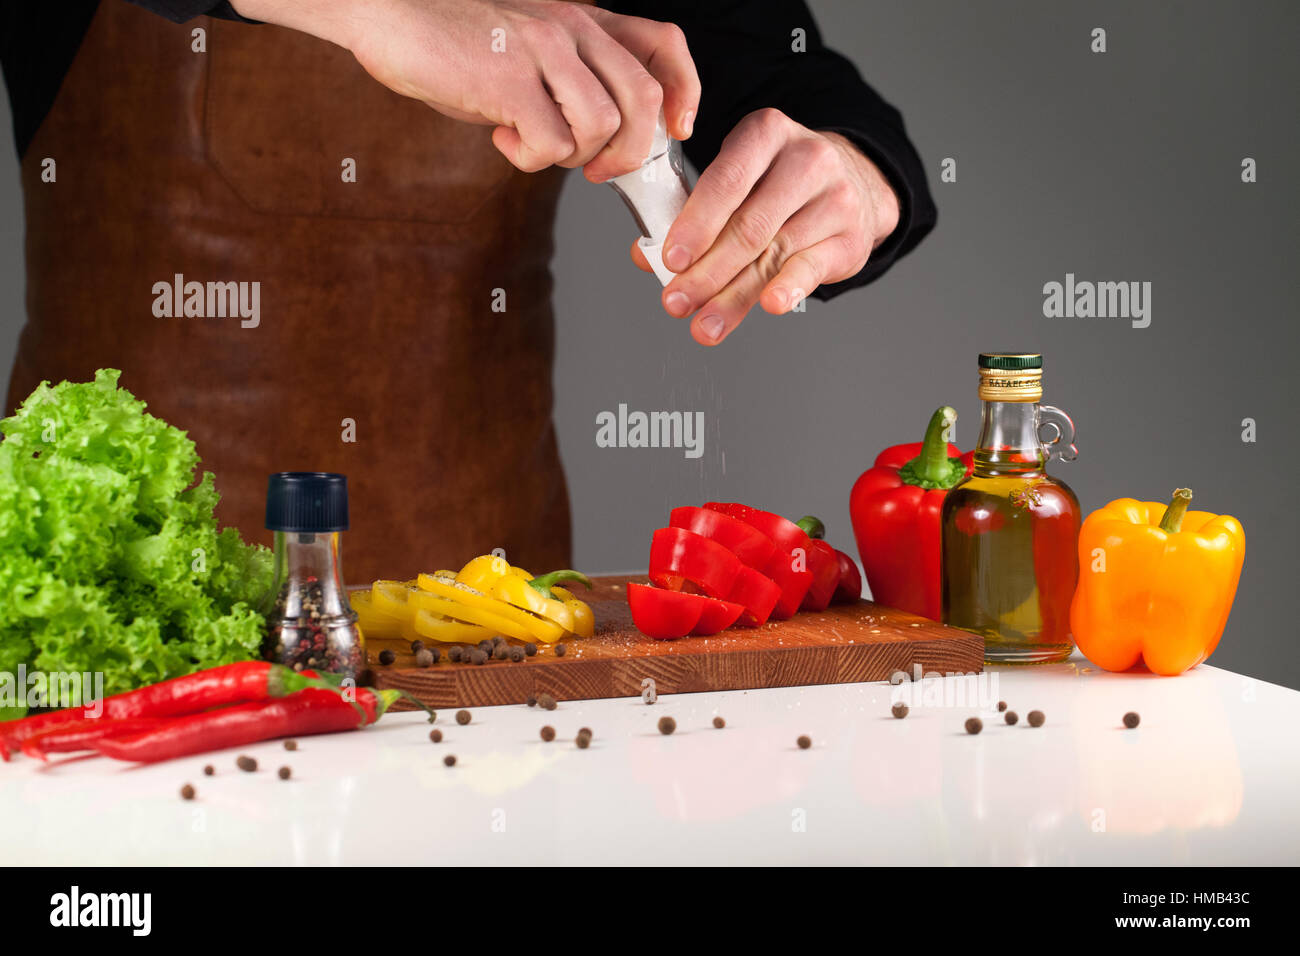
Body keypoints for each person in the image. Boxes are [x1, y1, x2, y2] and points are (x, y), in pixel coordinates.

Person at [0, 0, 936, 580]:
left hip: (485, 609)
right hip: (131, 604)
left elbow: (790, 74)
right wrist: (382, 11)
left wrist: (853, 176)